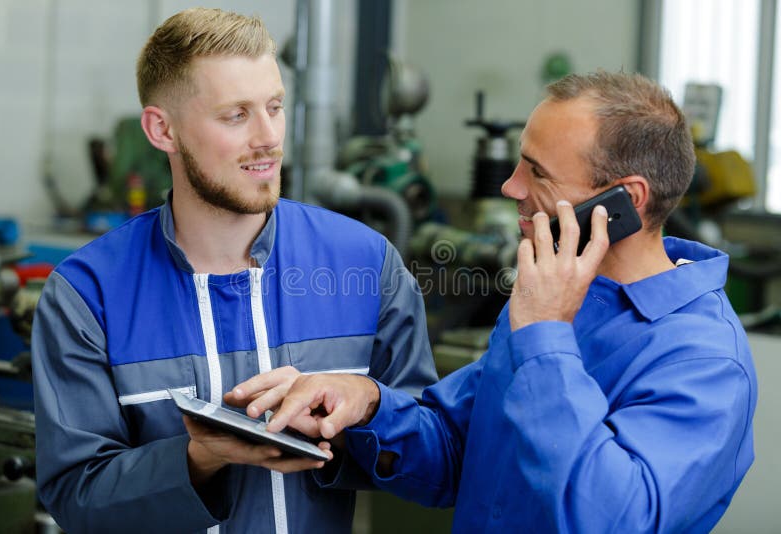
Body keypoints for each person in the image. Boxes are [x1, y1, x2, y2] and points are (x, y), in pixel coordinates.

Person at [239, 71, 759, 532]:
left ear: (625, 201)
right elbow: (459, 447)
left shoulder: (704, 360)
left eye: (537, 172)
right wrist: (367, 405)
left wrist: (546, 337)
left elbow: (608, 518)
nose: (511, 186)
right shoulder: (555, 299)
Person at [31, 8, 436, 534]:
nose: (268, 137)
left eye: (275, 107)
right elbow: (76, 497)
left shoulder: (366, 265)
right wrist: (198, 459)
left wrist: (369, 406)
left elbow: (435, 458)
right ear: (162, 129)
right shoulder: (87, 296)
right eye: (236, 115)